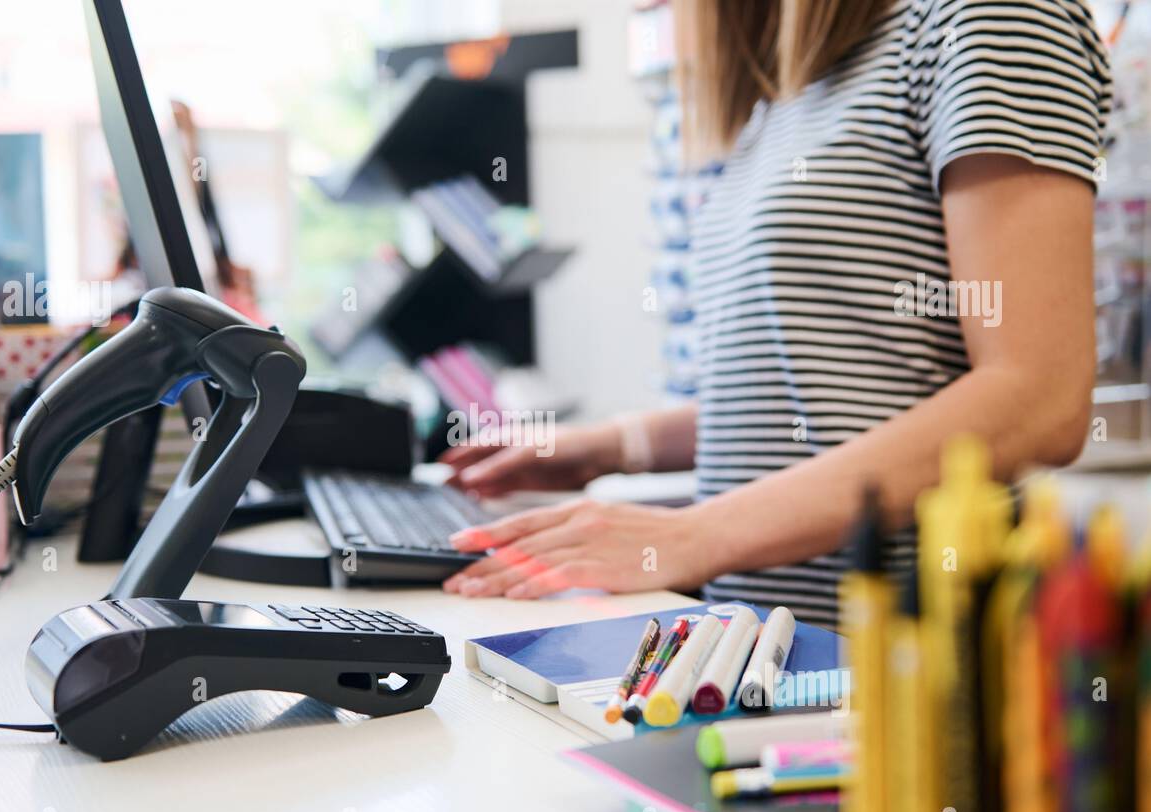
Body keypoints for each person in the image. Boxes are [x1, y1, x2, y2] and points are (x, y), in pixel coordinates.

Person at [440, 0, 1112, 628]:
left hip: (898, 655)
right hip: (763, 651)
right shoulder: (795, 84)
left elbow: (1039, 398)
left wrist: (690, 535)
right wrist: (620, 446)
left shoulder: (987, 16)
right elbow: (839, 397)